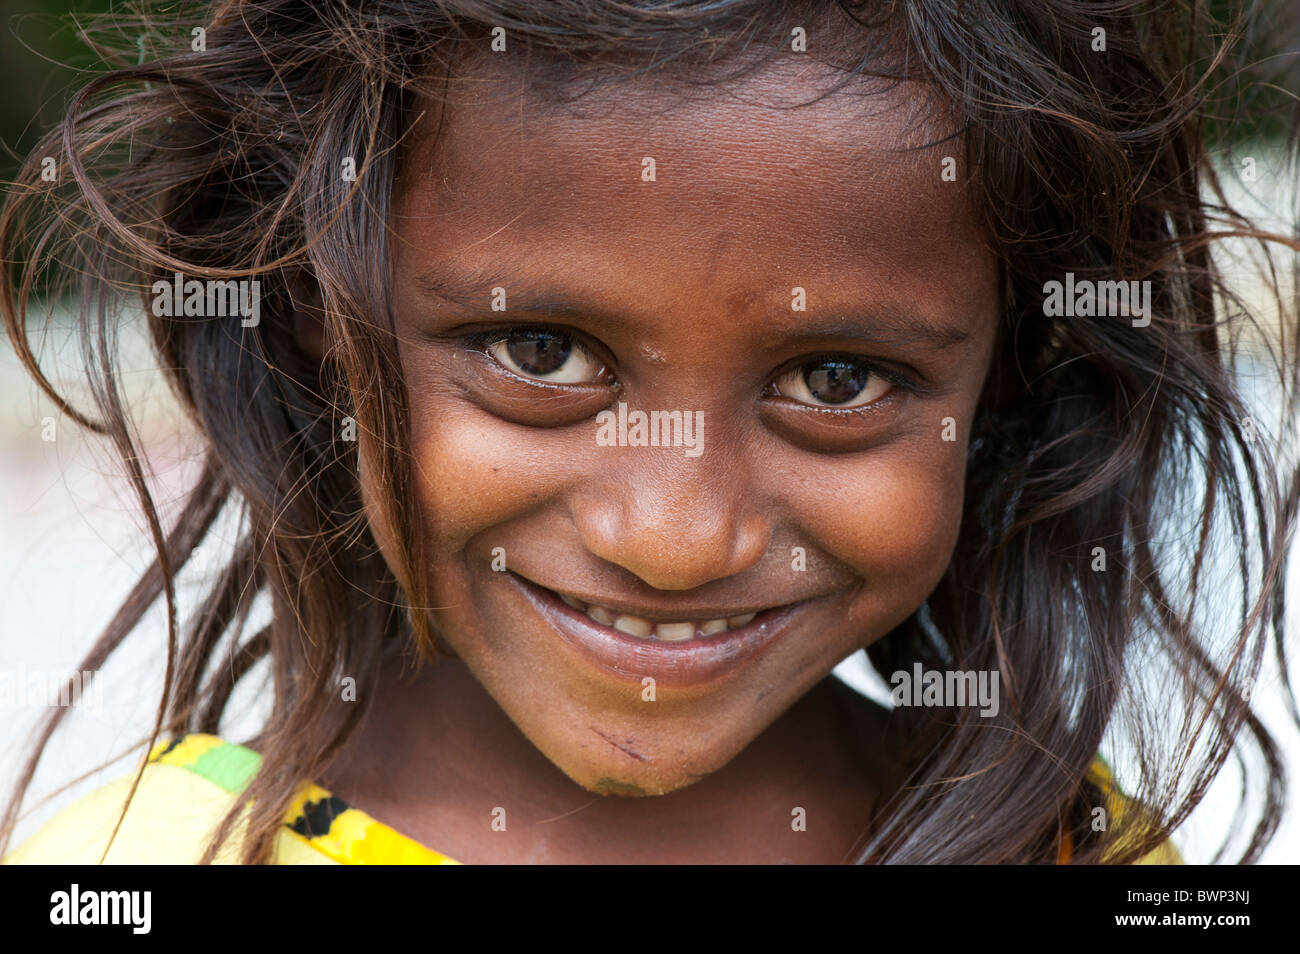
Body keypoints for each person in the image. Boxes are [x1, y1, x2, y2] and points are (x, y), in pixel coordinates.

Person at [2, 0, 1297, 864]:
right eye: (540, 353)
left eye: (839, 378)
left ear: (1013, 378)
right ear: (312, 320)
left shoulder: (1078, 847)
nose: (675, 541)